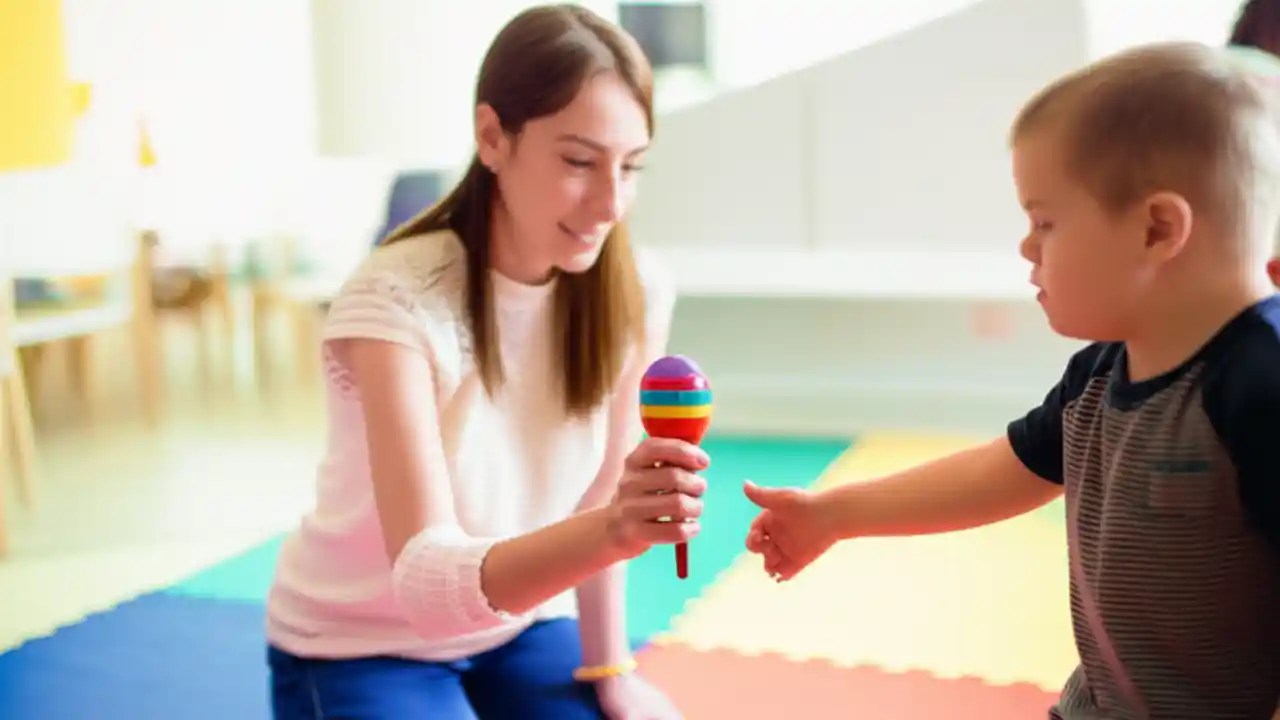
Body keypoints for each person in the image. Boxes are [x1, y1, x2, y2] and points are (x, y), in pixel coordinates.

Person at [744, 42, 1280, 719]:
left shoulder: (1257, 386)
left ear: (1157, 229)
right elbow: (1001, 471)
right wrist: (834, 515)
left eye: (1044, 222)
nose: (1027, 247)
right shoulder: (1102, 372)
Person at [264, 5, 702, 719]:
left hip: (518, 623)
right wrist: (618, 526)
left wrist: (612, 667)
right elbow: (426, 580)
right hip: (357, 641)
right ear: (492, 136)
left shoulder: (637, 286)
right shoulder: (396, 300)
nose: (609, 203)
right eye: (579, 161)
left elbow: (600, 496)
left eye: (631, 167)